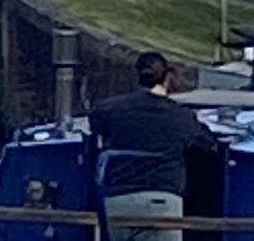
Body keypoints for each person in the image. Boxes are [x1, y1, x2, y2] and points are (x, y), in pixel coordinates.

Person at [90, 52, 216, 241]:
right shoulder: (180, 116)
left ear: (138, 76)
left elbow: (93, 126)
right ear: (168, 77)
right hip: (160, 198)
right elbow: (209, 145)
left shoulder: (109, 109)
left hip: (117, 200)